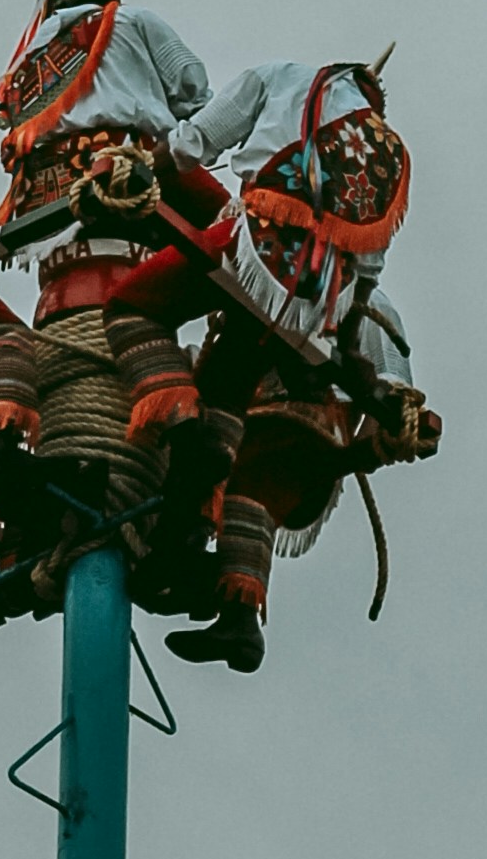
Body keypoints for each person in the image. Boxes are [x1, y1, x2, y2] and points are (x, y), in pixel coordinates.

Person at [0, 0, 234, 567]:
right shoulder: (134, 23)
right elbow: (192, 83)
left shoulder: (27, 62)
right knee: (243, 235)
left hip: (50, 209)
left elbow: (3, 109)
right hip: (133, 177)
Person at [157, 51, 441, 670]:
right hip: (299, 449)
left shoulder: (281, 82)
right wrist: (377, 432)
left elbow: (389, 376)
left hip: (265, 419)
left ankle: (174, 543)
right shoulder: (353, 286)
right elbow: (392, 379)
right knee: (249, 502)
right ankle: (237, 621)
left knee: (207, 428)